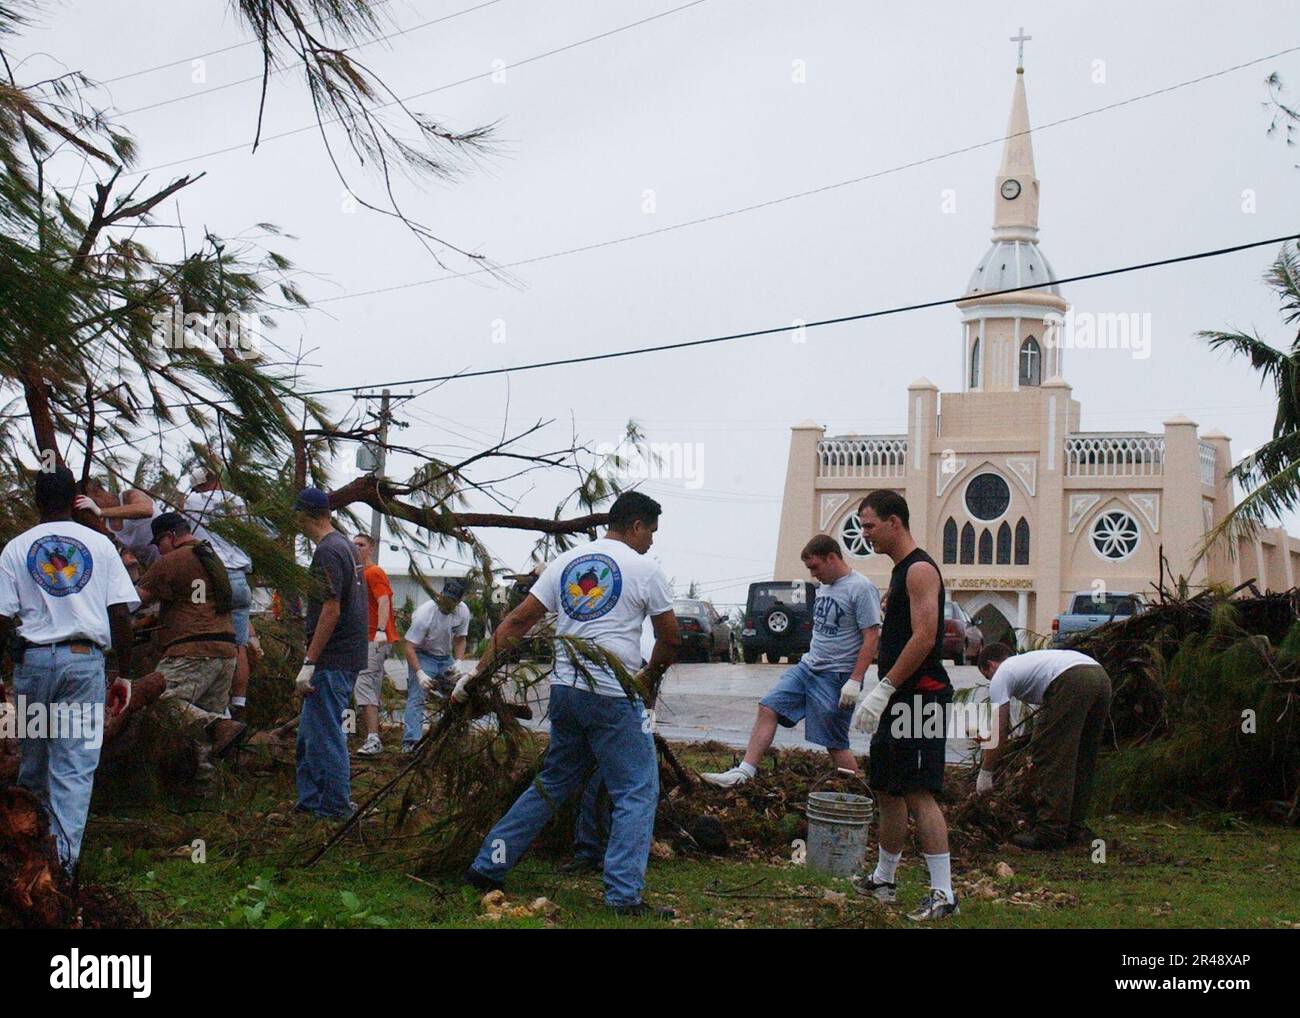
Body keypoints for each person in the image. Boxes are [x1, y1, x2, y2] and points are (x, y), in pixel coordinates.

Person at [463, 491, 680, 917]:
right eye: (650, 533)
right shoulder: (645, 569)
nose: (651, 542)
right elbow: (670, 638)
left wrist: (475, 677)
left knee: (552, 783)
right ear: (635, 526)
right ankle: (623, 897)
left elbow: (517, 622)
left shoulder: (565, 563)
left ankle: (488, 865)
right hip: (612, 695)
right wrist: (647, 678)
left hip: (566, 693)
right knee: (637, 790)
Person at [0, 466, 138, 871]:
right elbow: (119, 614)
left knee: (33, 767)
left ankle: (24, 865)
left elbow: (2, 619)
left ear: (36, 501)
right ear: (75, 501)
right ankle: (59, 869)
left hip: (34, 666)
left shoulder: (15, 549)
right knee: (73, 770)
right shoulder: (99, 546)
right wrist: (124, 673)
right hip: (83, 665)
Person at [848, 490, 959, 921]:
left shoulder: (919, 571)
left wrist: (884, 687)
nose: (865, 534)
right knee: (887, 789)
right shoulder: (899, 572)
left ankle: (943, 893)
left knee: (917, 791)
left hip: (922, 695)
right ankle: (884, 878)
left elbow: (925, 637)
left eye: (870, 525)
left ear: (895, 522)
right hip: (897, 697)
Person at [700, 533, 881, 787]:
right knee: (768, 707)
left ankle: (860, 793)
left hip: (837, 676)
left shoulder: (861, 588)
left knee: (834, 743)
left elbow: (871, 636)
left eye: (815, 567)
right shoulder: (824, 586)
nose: (813, 574)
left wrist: (855, 680)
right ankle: (744, 773)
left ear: (831, 558)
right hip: (808, 667)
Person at [135, 512, 246, 792]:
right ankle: (205, 790)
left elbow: (131, 601)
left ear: (170, 536)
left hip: (192, 649)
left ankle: (219, 725)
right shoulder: (211, 556)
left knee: (161, 703)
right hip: (225, 650)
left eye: (158, 542)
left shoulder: (172, 560)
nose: (157, 549)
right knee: (198, 731)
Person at [975, 644, 1113, 849]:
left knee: (1050, 754)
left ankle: (1051, 831)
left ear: (990, 665)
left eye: (987, 677)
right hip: (1100, 677)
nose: (991, 682)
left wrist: (985, 774)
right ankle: (1075, 828)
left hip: (1072, 680)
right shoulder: (1029, 661)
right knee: (1083, 757)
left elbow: (999, 731)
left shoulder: (1001, 673)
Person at [292, 487, 366, 819]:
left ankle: (335, 806)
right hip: (345, 654)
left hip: (332, 658)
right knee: (310, 734)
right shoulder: (346, 546)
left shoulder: (328, 551)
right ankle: (310, 803)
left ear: (302, 514)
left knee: (326, 734)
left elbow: (331, 610)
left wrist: (310, 661)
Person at [184, 467, 255, 719]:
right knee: (239, 645)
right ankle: (239, 701)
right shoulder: (238, 502)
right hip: (239, 578)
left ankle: (211, 704)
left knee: (207, 640)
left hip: (211, 577)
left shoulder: (193, 501)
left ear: (201, 484)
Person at [400, 579, 470, 752]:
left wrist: (459, 662)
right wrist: (420, 673)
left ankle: (455, 739)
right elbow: (409, 646)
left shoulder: (463, 612)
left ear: (458, 602)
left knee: (460, 693)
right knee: (417, 697)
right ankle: (411, 743)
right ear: (440, 595)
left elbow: (460, 639)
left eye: (451, 602)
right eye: (444, 599)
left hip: (445, 657)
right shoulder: (425, 614)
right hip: (422, 655)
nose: (446, 604)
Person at [352, 533, 397, 756]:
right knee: (365, 686)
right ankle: (355, 732)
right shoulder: (357, 575)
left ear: (370, 549)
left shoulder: (374, 572)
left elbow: (384, 600)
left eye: (361, 544)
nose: (356, 547)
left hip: (374, 639)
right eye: (354, 544)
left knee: (363, 684)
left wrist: (380, 630)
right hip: (360, 639)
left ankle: (372, 738)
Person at [75, 478, 161, 570]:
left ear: (97, 491)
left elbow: (146, 510)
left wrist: (100, 511)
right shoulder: (104, 526)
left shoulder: (128, 496)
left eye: (93, 503)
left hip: (173, 549)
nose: (93, 508)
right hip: (156, 567)